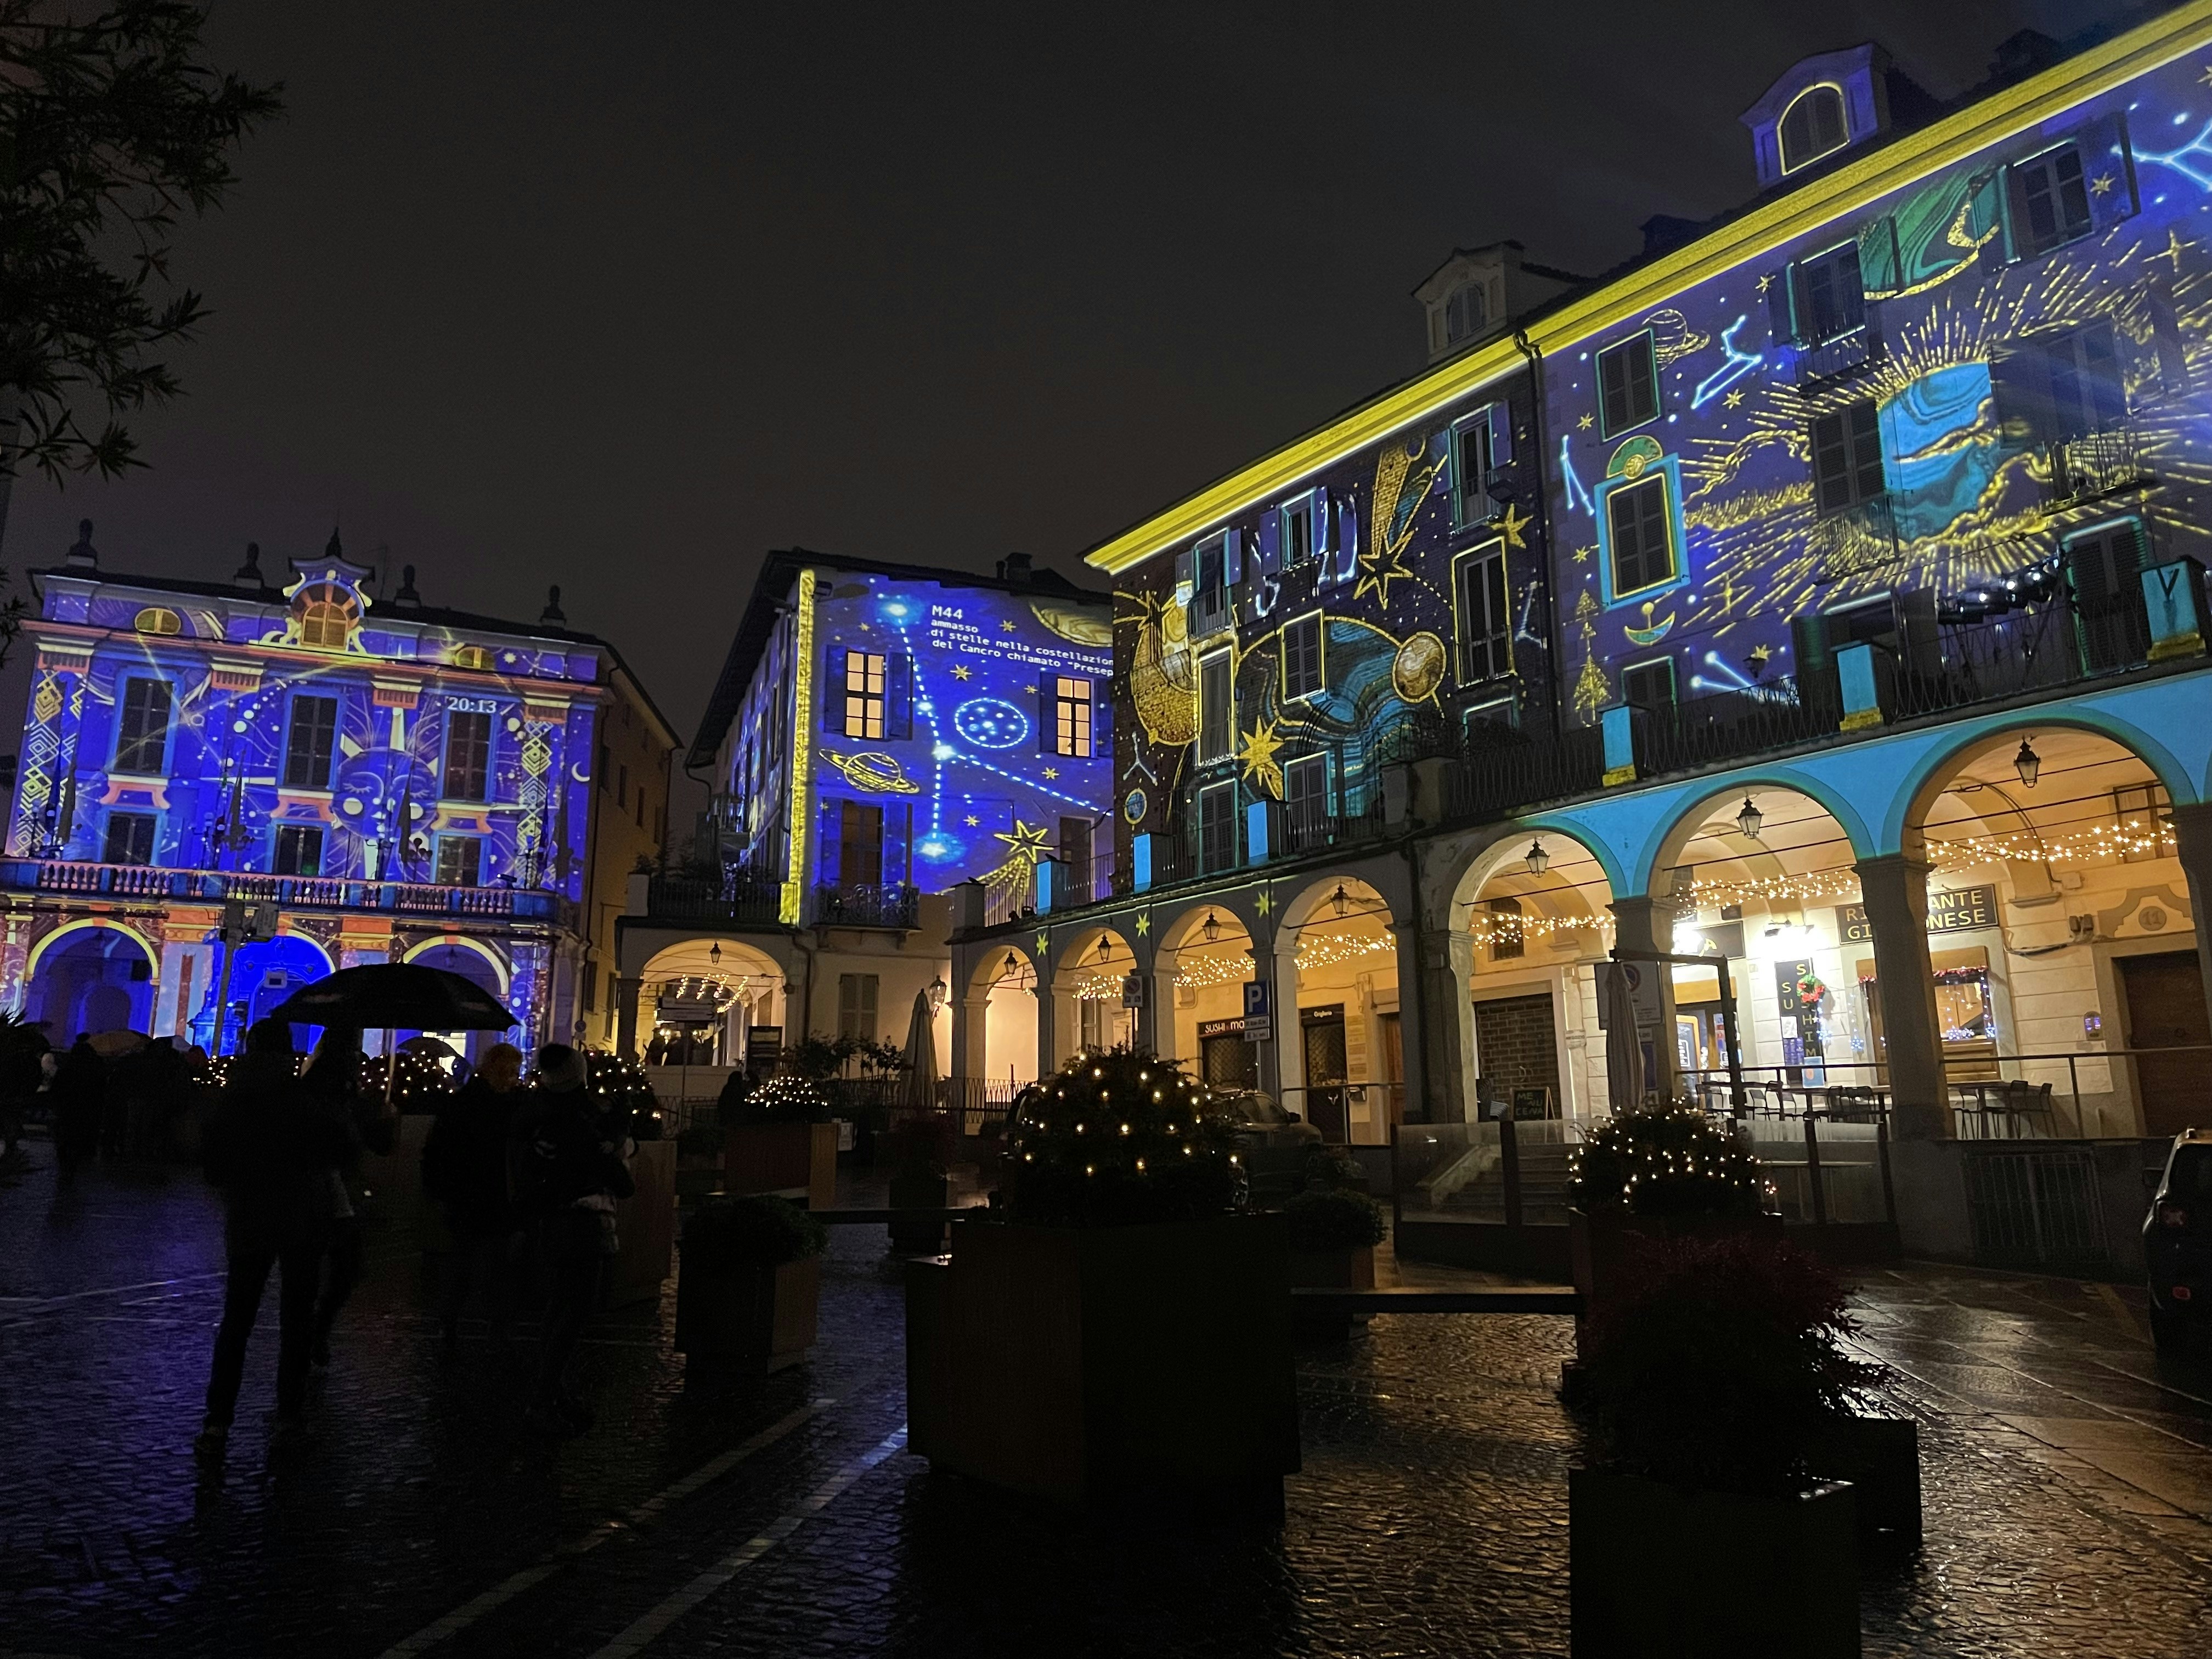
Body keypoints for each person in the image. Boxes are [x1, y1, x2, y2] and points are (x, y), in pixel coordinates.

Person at [195, 1021, 349, 1462]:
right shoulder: (305, 1101)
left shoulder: (233, 1101)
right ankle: (287, 1416)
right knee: (296, 1321)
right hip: (302, 1220)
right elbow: (338, 1152)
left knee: (237, 1322)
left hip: (248, 1220)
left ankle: (218, 1421)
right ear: (289, 1057)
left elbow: (212, 1166)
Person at [509, 1044, 633, 1435]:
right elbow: (607, 1171)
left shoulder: (537, 1110)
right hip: (581, 1220)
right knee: (574, 1310)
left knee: (559, 1306)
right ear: (576, 1074)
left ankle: (551, 1391)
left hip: (550, 1219)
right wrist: (615, 1152)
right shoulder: (578, 1116)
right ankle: (545, 1396)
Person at [300, 1029, 397, 1367]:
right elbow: (347, 1142)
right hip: (325, 1191)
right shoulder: (330, 1095)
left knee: (338, 1268)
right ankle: (312, 1332)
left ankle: (314, 1329)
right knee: (339, 1266)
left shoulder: (338, 1093)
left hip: (337, 1191)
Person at [422, 1041, 524, 1357]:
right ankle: (492, 1329)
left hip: (467, 1196)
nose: (512, 1078)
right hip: (487, 1196)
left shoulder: (465, 1102)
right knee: (493, 1266)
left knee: (466, 1263)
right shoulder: (499, 1106)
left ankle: (453, 1323)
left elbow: (436, 1150)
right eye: (509, 1072)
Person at [50, 1034, 105, 1187]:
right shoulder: (94, 1071)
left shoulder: (66, 1070)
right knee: (78, 1139)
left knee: (65, 1139)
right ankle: (73, 1165)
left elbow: (57, 1090)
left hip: (67, 1110)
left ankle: (65, 1166)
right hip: (86, 1110)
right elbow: (100, 1090)